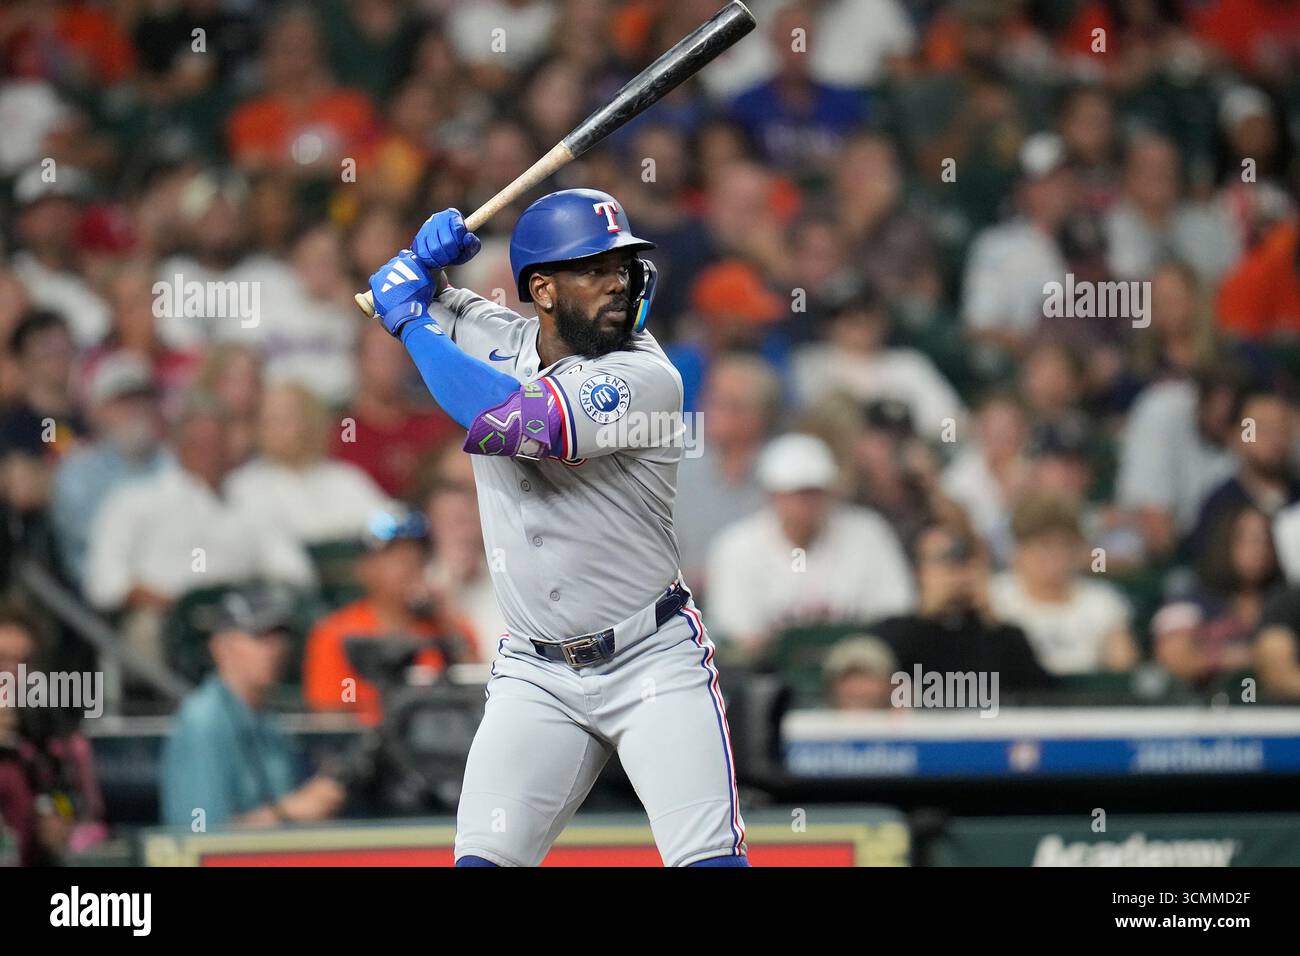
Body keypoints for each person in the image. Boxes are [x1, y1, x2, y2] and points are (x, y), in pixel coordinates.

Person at [365, 194, 749, 866]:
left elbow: (513, 423)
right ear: (541, 289)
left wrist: (412, 322)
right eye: (594, 269)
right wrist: (422, 265)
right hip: (534, 673)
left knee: (709, 862)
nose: (617, 283)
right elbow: (398, 292)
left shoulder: (645, 376)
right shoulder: (503, 337)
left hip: (650, 657)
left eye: (623, 268)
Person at [706, 432, 915, 653]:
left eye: (814, 492)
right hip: (769, 675)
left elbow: (895, 616)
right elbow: (738, 639)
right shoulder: (736, 546)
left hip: (857, 669)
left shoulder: (867, 533)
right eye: (795, 493)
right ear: (772, 495)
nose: (805, 503)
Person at [159, 588, 346, 828]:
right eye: (259, 636)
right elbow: (197, 836)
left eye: (279, 636)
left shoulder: (270, 719)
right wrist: (288, 811)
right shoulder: (203, 721)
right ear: (221, 646)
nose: (274, 648)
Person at [303, 508, 477, 725]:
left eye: (416, 555)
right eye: (394, 556)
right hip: (371, 751)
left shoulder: (449, 627)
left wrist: (445, 617)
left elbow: (478, 694)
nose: (409, 564)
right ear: (364, 569)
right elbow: (333, 723)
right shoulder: (336, 633)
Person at [869, 523, 1053, 696]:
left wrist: (989, 620)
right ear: (918, 571)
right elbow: (867, 680)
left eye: (964, 560)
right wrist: (926, 616)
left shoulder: (1003, 637)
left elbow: (1043, 698)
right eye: (944, 560)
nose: (955, 571)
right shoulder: (895, 632)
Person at [50, 352, 171, 585]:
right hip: (102, 601)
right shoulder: (78, 473)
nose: (135, 410)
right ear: (96, 411)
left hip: (173, 584)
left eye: (143, 399)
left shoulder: (175, 463)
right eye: (122, 402)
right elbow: (93, 543)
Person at [226, 381, 393, 548]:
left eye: (283, 418)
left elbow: (386, 521)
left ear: (310, 422)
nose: (272, 427)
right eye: (266, 420)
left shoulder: (343, 478)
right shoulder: (243, 486)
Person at [0, 604, 106, 865]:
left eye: (22, 662)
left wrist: (60, 815)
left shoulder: (52, 739)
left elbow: (75, 803)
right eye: (1, 660)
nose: (11, 674)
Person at [991, 494, 1138, 676]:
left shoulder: (1103, 601)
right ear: (1021, 549)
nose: (1055, 556)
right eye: (1044, 545)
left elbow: (1123, 672)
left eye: (1066, 546)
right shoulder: (994, 597)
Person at [673, 353, 779, 586]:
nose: (709, 409)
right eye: (710, 397)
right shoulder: (676, 457)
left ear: (757, 417)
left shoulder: (779, 471)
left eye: (726, 403)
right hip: (681, 599)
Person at [822, 636, 897, 710]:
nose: (858, 691)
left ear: (889, 685)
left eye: (868, 679)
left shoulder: (906, 720)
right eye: (847, 680)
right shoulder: (813, 720)